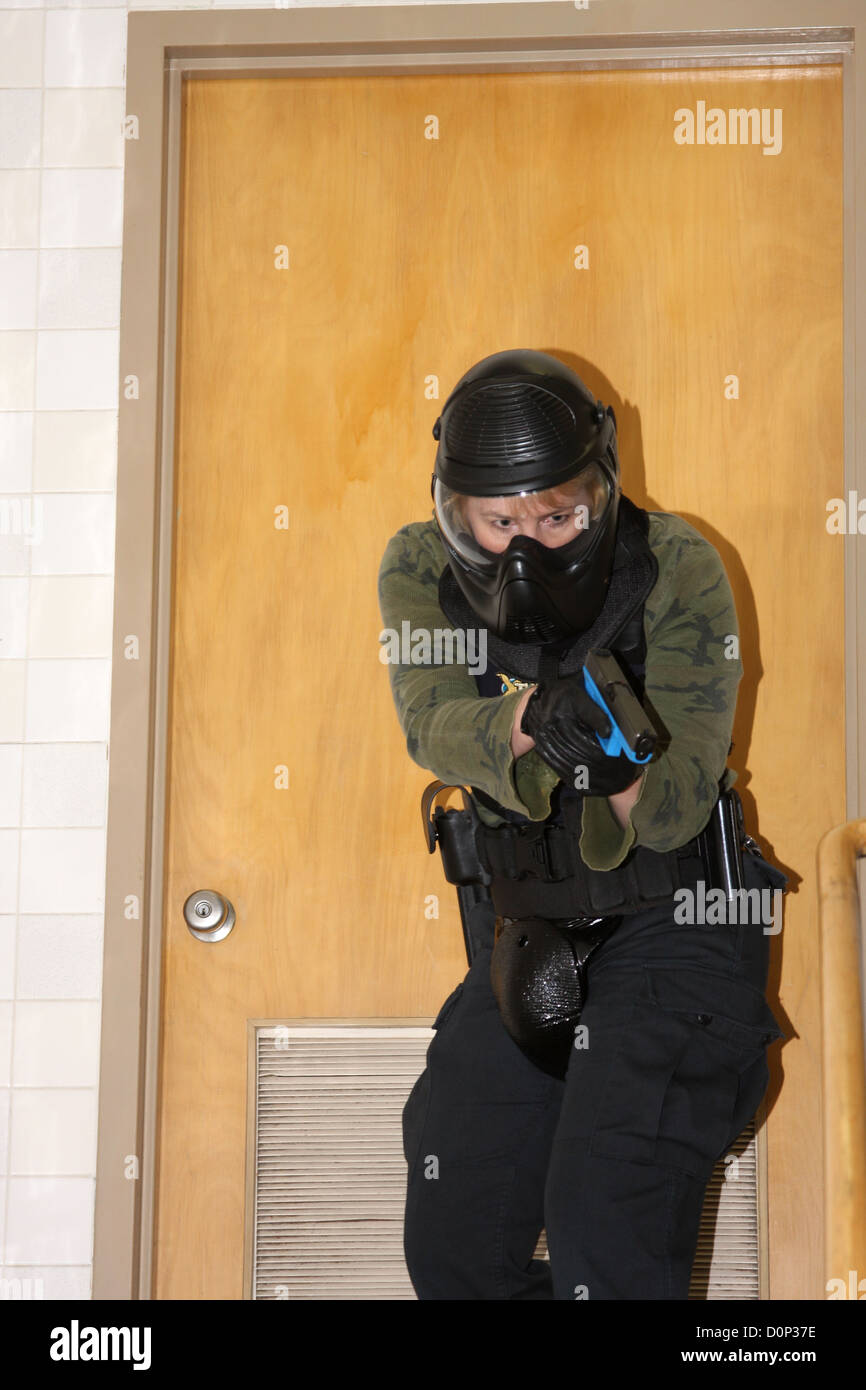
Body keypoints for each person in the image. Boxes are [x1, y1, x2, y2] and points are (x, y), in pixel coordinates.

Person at [376, 348, 788, 1301]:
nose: (527, 548)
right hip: (529, 935)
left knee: (606, 1226)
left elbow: (676, 808)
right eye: (500, 523)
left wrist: (614, 758)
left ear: (599, 494)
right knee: (455, 1241)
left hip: (677, 925)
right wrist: (532, 718)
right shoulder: (419, 564)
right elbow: (433, 726)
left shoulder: (676, 563)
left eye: (557, 516)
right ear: (456, 511)